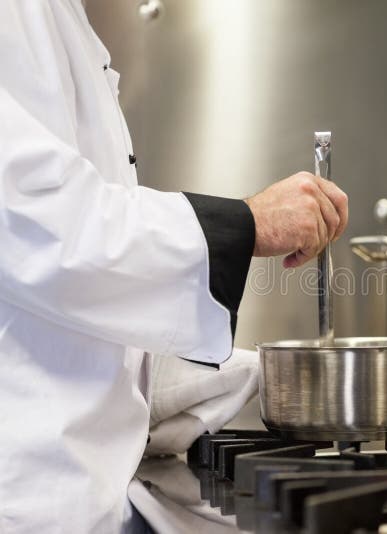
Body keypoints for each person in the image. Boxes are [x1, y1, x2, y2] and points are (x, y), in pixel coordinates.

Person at [0, 2, 349, 532]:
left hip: (86, 487)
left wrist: (264, 376)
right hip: (32, 497)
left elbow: (69, 301)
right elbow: (37, 224)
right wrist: (247, 223)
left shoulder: (57, 15)